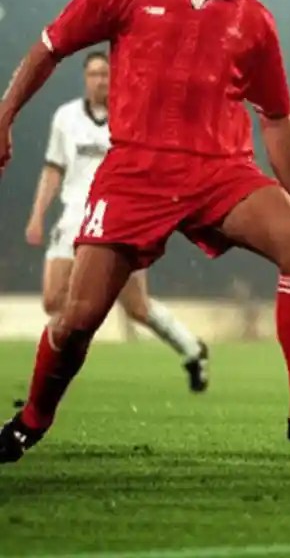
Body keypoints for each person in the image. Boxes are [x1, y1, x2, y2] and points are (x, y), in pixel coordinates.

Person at [0, 0, 290, 463]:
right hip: (134, 175)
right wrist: (4, 113)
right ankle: (31, 418)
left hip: (220, 173)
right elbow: (51, 45)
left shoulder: (254, 22)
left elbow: (276, 118)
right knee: (76, 322)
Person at [26, 51, 209, 392]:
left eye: (106, 74)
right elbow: (53, 168)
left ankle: (192, 349)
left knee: (137, 307)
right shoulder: (65, 118)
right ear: (85, 78)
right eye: (94, 74)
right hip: (73, 219)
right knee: (54, 301)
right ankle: (49, 383)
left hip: (120, 220)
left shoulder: (134, 118)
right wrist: (37, 214)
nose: (100, 80)